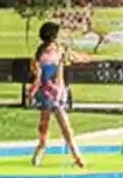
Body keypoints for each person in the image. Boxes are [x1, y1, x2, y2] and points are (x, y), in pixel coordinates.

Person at [28, 22, 86, 168]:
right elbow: (41, 76)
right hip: (53, 93)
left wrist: (33, 91)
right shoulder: (54, 53)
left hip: (52, 93)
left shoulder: (46, 53)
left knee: (48, 125)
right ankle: (75, 154)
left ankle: (43, 149)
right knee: (58, 126)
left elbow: (41, 77)